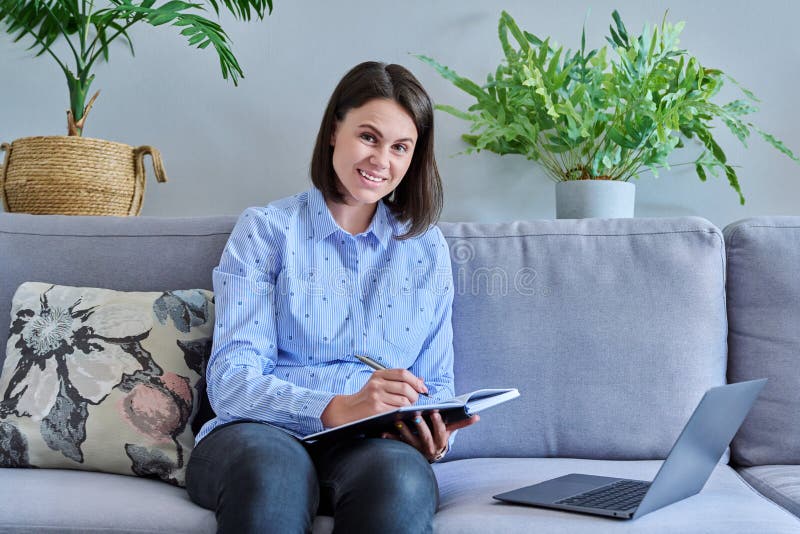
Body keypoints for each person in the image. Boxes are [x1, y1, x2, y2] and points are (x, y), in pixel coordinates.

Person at [186, 61, 479, 534]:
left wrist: (432, 436)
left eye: (400, 147)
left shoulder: (426, 249)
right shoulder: (266, 231)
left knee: (401, 480)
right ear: (333, 132)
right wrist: (334, 407)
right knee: (273, 473)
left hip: (371, 446)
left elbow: (437, 383)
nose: (382, 161)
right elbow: (231, 382)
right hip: (260, 435)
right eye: (368, 137)